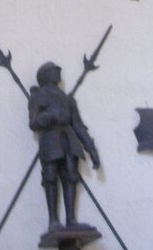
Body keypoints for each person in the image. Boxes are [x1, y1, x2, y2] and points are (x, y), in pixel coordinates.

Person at [28, 61, 100, 233]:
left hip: (69, 139)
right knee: (50, 177)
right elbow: (33, 122)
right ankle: (53, 220)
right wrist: (51, 116)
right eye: (54, 70)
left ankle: (71, 220)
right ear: (45, 75)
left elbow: (78, 126)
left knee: (71, 177)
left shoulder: (67, 99)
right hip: (50, 138)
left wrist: (91, 149)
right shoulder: (38, 96)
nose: (58, 73)